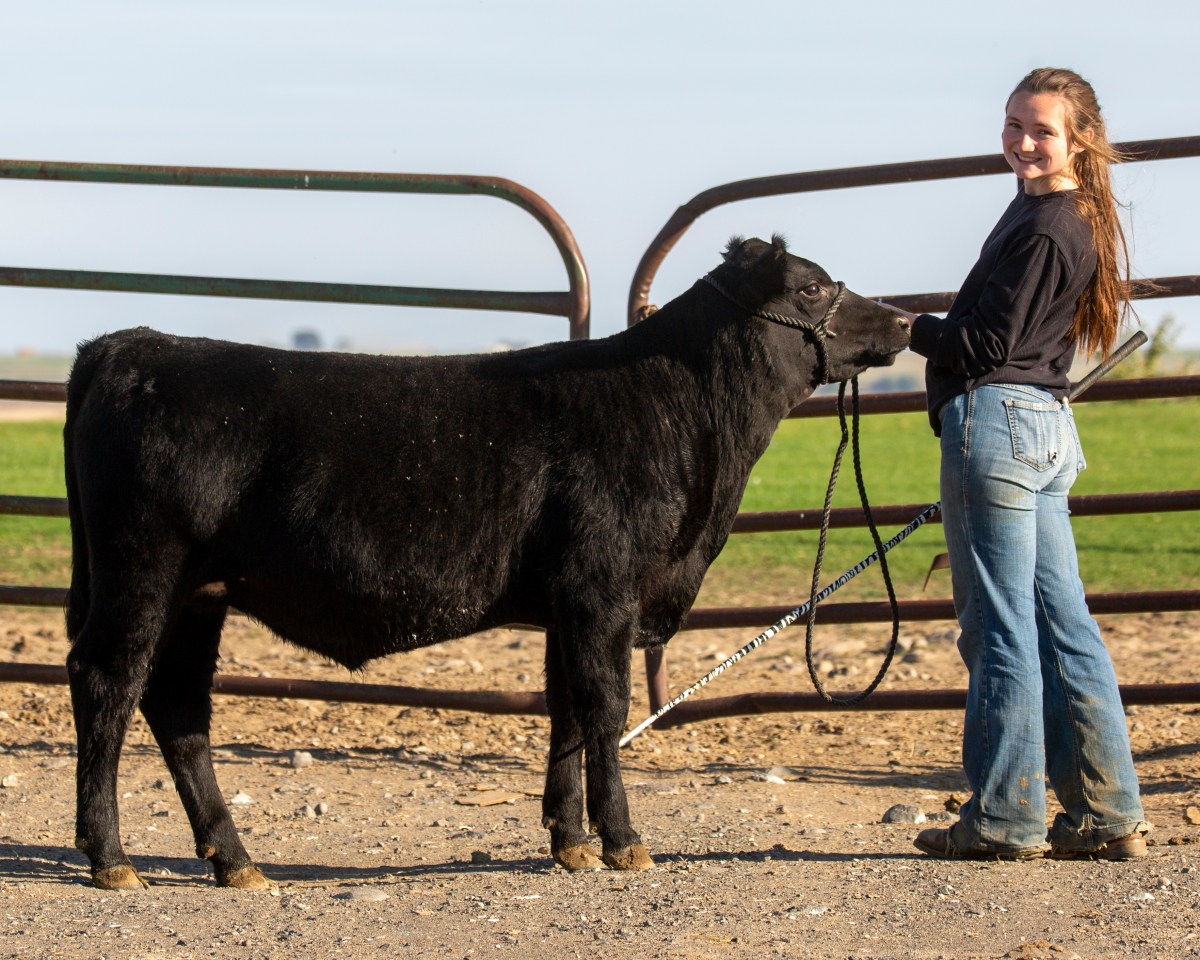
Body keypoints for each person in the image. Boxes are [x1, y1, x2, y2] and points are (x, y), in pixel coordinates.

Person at [906, 67, 1149, 860]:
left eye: (1040, 129)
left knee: (1000, 631)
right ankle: (1107, 814)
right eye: (1013, 124)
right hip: (1044, 426)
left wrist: (910, 329)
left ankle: (1005, 817)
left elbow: (985, 345)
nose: (1021, 141)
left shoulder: (1046, 226)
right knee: (1062, 625)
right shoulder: (1068, 217)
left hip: (999, 424)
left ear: (1077, 138)